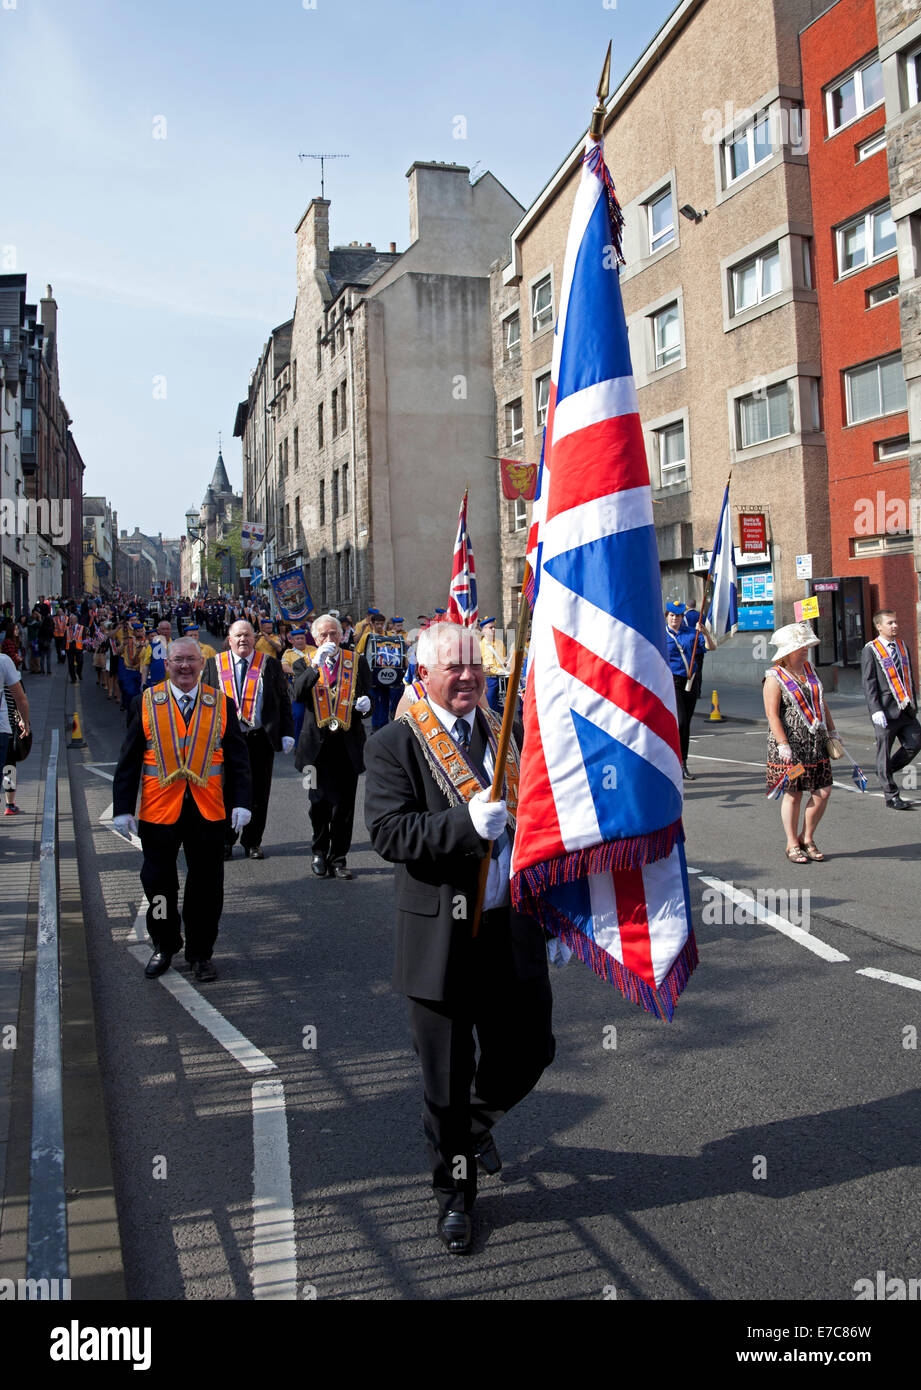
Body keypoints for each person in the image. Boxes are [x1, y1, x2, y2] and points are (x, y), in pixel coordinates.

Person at [363, 621, 554, 1255]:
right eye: (454, 667)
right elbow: (391, 834)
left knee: (529, 1050)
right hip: (442, 940)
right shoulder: (395, 744)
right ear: (425, 674)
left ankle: (468, 1131)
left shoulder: (510, 732)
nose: (469, 675)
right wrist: (463, 824)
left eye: (475, 665)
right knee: (444, 1081)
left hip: (509, 928)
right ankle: (456, 1195)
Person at [112, 638, 252, 981]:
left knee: (206, 887)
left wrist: (242, 803)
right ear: (167, 664)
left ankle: (201, 953)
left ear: (202, 665)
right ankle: (164, 943)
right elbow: (129, 759)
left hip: (208, 811)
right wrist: (122, 808)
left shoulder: (221, 704)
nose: (185, 666)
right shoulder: (144, 702)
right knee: (158, 884)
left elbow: (237, 760)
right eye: (178, 661)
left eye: (191, 660)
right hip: (160, 812)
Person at [204, 620, 294, 860]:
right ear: (230, 639)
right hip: (224, 741)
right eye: (238, 636)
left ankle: (253, 841)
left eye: (247, 635)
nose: (243, 639)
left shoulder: (270, 665)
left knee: (259, 791)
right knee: (224, 790)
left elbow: (282, 700)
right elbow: (203, 702)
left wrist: (287, 731)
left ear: (254, 638)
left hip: (259, 738)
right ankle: (225, 839)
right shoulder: (213, 665)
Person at [291, 613, 372, 879]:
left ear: (342, 635)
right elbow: (298, 694)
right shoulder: (304, 662)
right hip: (314, 749)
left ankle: (339, 857)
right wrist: (316, 665)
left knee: (344, 806)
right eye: (323, 635)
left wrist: (366, 706)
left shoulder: (356, 661)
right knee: (317, 802)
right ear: (315, 638)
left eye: (334, 634)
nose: (329, 639)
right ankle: (318, 851)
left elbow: (366, 695)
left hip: (346, 746)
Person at [764, 622, 839, 863]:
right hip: (791, 747)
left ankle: (807, 837)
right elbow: (772, 714)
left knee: (823, 791)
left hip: (815, 742)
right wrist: (783, 744)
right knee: (794, 793)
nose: (805, 649)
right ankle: (791, 843)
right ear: (787, 651)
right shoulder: (774, 677)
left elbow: (821, 702)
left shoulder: (810, 671)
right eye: (800, 647)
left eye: (806, 645)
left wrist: (833, 730)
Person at [861, 609, 921, 810]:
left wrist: (914, 702)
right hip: (885, 711)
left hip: (905, 709)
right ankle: (891, 795)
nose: (894, 626)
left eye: (895, 622)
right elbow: (869, 682)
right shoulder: (871, 649)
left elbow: (909, 677)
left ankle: (884, 772)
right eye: (890, 623)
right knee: (883, 752)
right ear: (879, 626)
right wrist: (875, 709)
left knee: (915, 742)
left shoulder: (902, 646)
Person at [664, 601, 715, 780]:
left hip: (691, 682)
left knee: (686, 725)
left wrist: (705, 632)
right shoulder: (662, 635)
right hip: (673, 682)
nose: (675, 619)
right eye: (672, 615)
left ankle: (683, 763)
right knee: (681, 723)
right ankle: (673, 762)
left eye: (678, 616)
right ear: (666, 617)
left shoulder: (691, 633)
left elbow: (711, 647)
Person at [357, 611, 406, 731]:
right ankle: (375, 725)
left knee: (384, 700)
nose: (380, 626)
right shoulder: (367, 637)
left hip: (386, 673)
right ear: (372, 624)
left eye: (381, 624)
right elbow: (358, 653)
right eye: (377, 624)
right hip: (372, 674)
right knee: (374, 701)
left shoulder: (389, 635)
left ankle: (383, 726)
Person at [0, 650, 30, 813]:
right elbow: (21, 698)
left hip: (9, 723)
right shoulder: (7, 666)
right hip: (8, 725)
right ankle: (10, 804)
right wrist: (24, 722)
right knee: (9, 765)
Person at [479, 618, 509, 716]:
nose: (493, 630)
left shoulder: (500, 643)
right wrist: (483, 668)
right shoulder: (480, 644)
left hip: (502, 679)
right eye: (490, 628)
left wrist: (506, 663)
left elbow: (503, 660)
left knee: (504, 706)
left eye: (494, 627)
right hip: (489, 679)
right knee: (491, 705)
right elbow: (476, 663)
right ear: (483, 630)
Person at [65, 613, 85, 683]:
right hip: (69, 648)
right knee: (70, 664)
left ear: (76, 620)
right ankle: (73, 678)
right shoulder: (67, 628)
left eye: (72, 619)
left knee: (80, 661)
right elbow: (64, 639)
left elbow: (84, 638)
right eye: (70, 620)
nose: (71, 621)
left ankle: (79, 672)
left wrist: (85, 648)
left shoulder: (82, 627)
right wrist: (62, 649)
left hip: (78, 648)